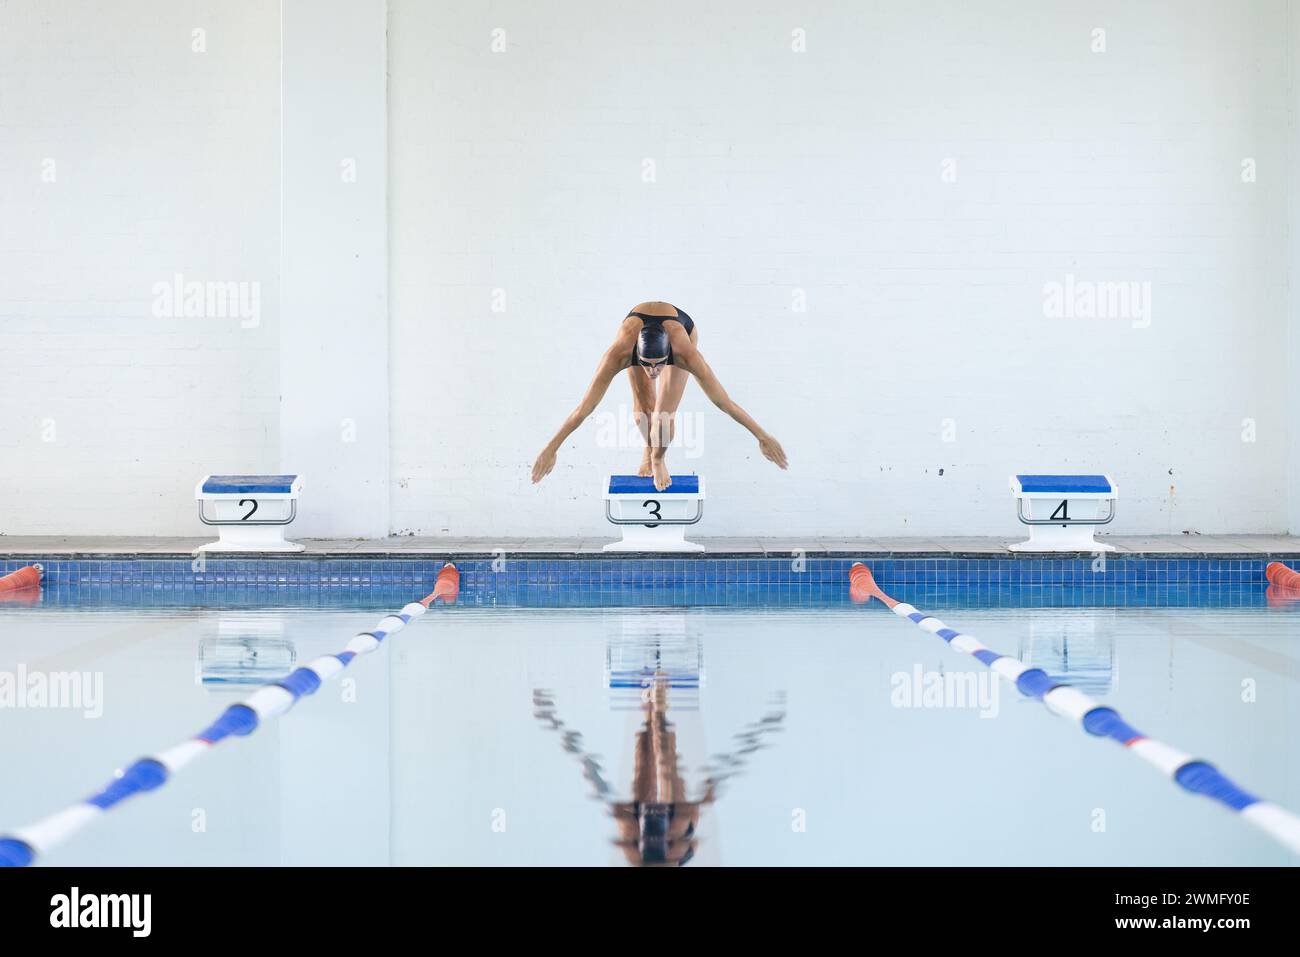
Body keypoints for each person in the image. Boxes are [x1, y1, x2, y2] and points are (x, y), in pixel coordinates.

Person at [530, 301, 787, 491]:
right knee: (644, 409)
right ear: (636, 356)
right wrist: (551, 449)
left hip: (681, 328)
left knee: (663, 417)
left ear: (668, 357)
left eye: (659, 364)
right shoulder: (618, 354)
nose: (653, 372)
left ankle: (658, 458)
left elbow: (725, 403)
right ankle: (647, 448)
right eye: (646, 364)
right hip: (634, 325)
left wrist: (763, 436)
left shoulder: (686, 354)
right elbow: (583, 409)